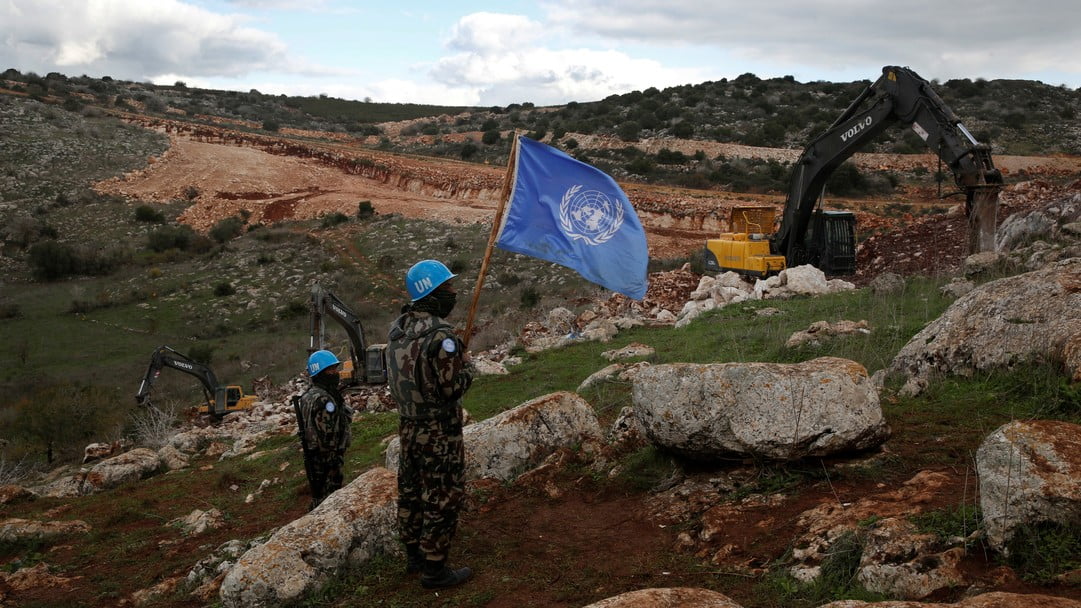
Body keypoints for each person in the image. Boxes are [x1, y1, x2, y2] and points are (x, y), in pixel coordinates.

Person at [386, 259, 474, 589]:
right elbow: (452, 388)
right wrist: (468, 367)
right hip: (439, 431)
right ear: (433, 293)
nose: (453, 293)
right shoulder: (442, 336)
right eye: (448, 287)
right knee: (443, 494)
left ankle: (414, 555)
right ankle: (435, 570)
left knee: (411, 490)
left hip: (408, 426)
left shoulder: (397, 330)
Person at [295, 349, 352, 510]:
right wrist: (333, 458)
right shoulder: (324, 399)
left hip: (314, 455)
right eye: (330, 370)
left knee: (320, 494)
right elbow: (327, 435)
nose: (335, 373)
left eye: (335, 368)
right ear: (320, 373)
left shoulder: (309, 395)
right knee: (329, 499)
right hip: (326, 459)